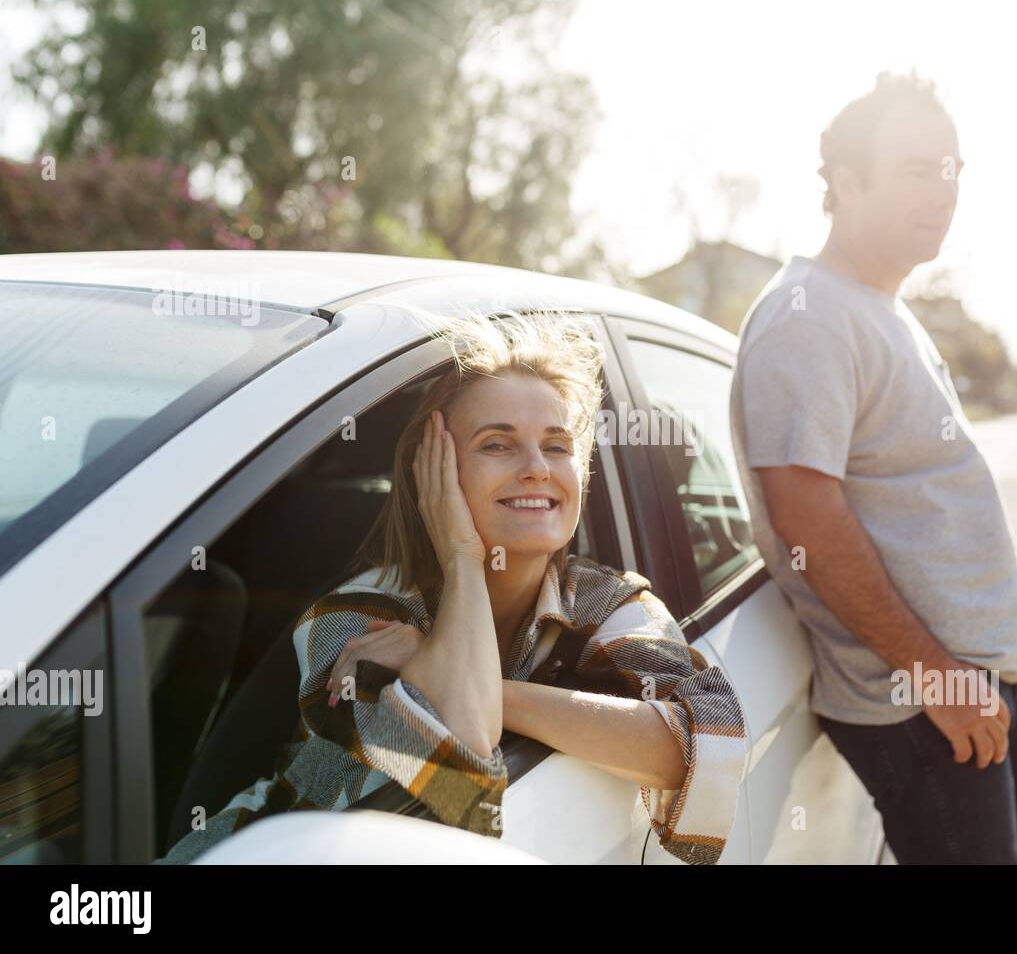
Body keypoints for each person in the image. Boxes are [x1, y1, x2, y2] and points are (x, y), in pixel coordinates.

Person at [159, 310, 747, 865]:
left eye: (557, 445)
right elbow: (458, 769)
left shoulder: (607, 601)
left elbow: (700, 748)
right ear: (433, 473)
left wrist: (490, 692)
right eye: (496, 443)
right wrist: (464, 557)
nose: (537, 467)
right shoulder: (355, 614)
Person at [729, 71, 1017, 864]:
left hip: (979, 670)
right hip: (914, 699)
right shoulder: (809, 317)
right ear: (844, 181)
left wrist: (1001, 635)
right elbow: (808, 518)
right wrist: (936, 675)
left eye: (952, 171)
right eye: (915, 170)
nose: (943, 192)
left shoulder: (884, 309)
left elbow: (916, 497)